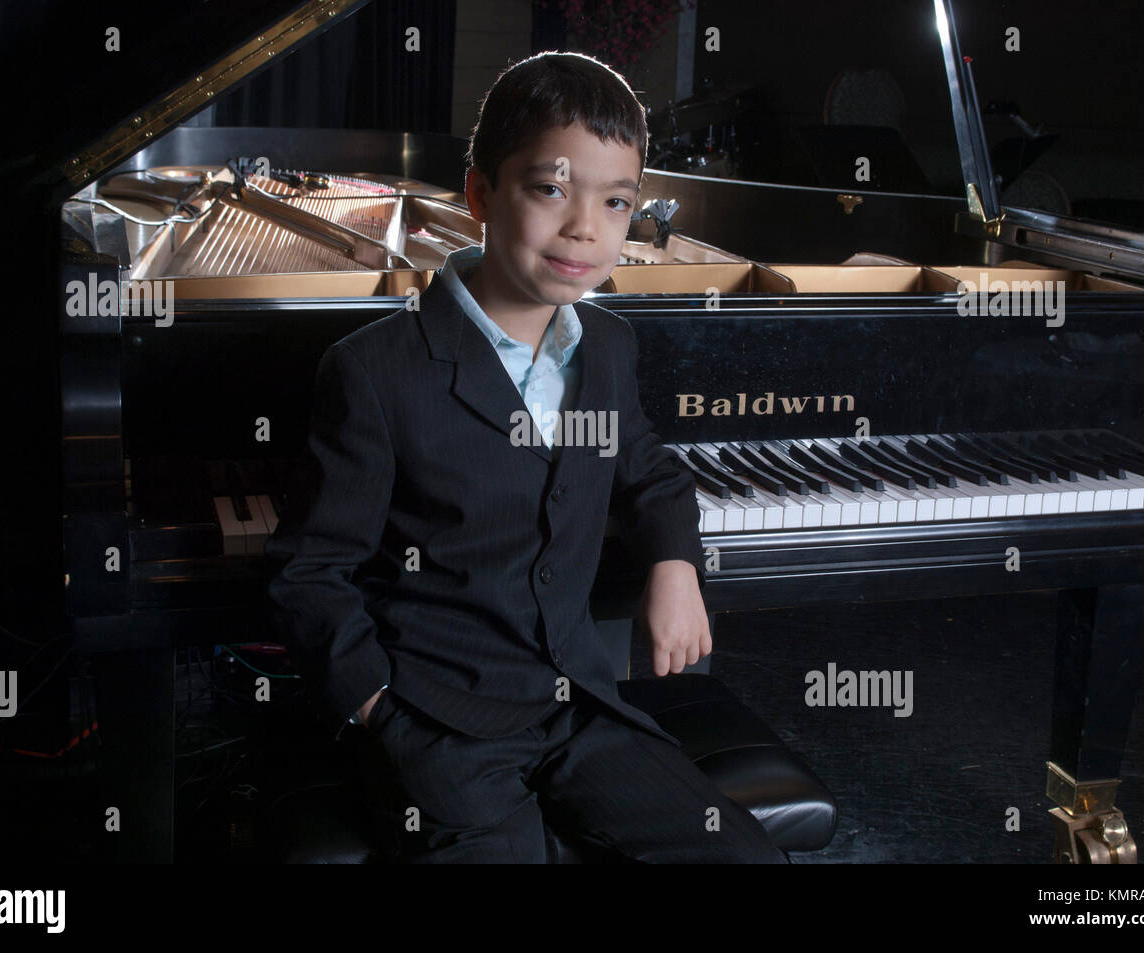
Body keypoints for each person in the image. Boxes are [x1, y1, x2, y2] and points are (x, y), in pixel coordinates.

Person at [265, 50, 785, 863]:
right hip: (442, 728)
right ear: (480, 194)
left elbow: (650, 473)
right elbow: (311, 572)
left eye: (616, 202)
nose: (585, 227)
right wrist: (380, 710)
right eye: (550, 189)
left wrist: (676, 564)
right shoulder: (375, 370)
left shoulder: (607, 347)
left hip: (581, 707)